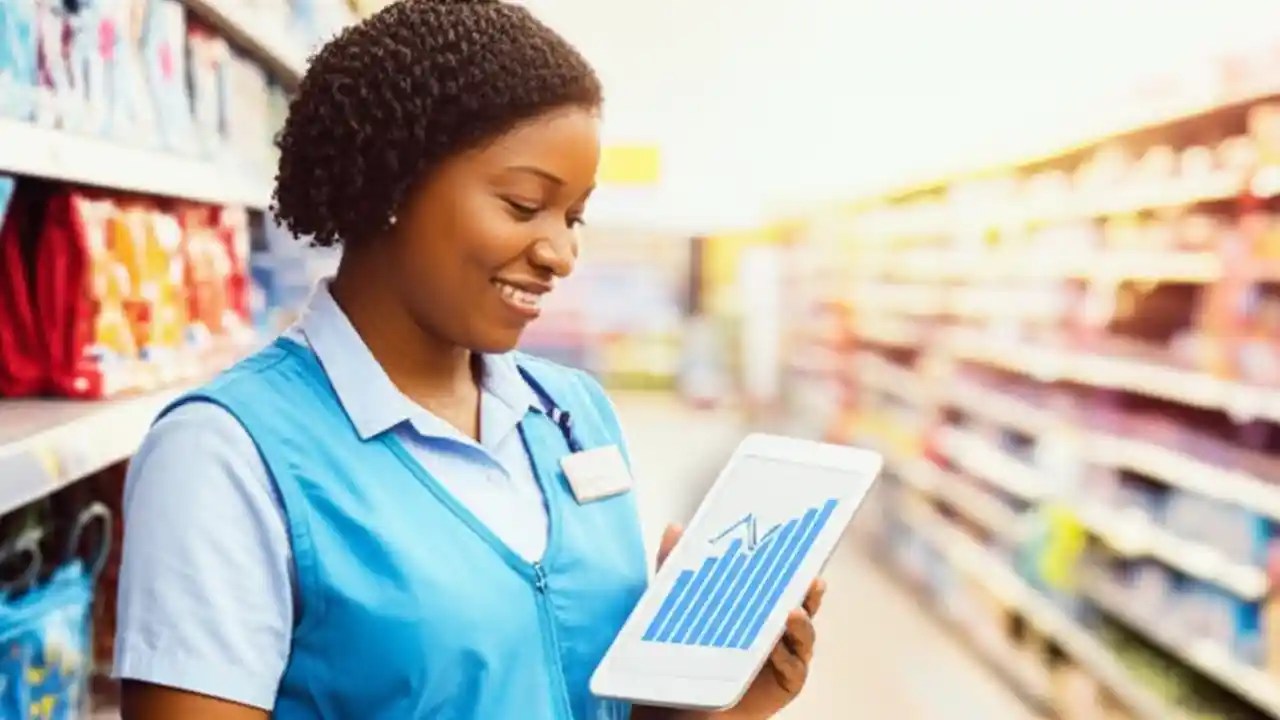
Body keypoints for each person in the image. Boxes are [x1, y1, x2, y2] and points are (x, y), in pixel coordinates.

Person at [113, 1, 825, 718]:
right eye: (524, 206)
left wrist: (708, 706)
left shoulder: (575, 414)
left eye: (573, 216)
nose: (561, 253)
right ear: (393, 179)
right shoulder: (227, 454)